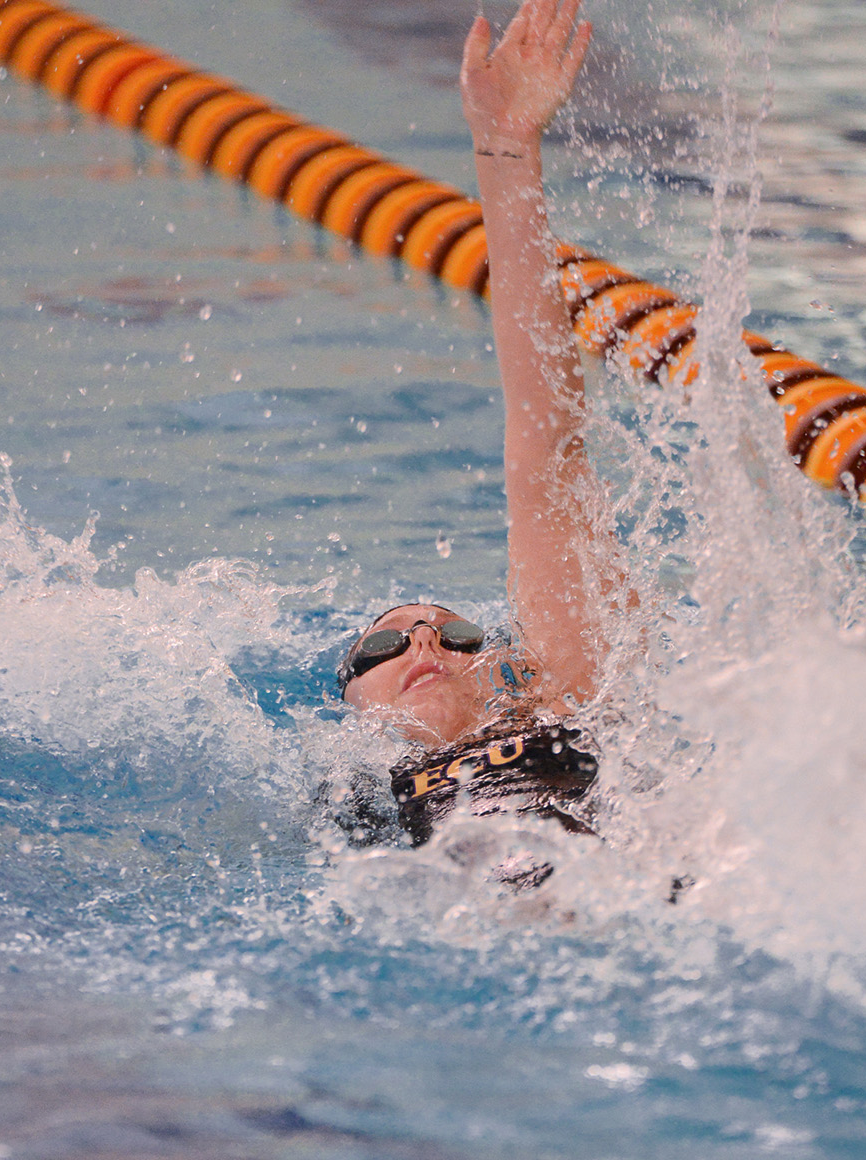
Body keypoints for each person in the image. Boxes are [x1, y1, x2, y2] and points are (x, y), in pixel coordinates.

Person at [315, 0, 613, 871]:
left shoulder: (571, 703)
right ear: (352, 705)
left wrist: (507, 149)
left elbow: (548, 454)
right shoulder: (349, 802)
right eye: (384, 643)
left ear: (503, 667)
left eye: (457, 634)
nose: (424, 643)